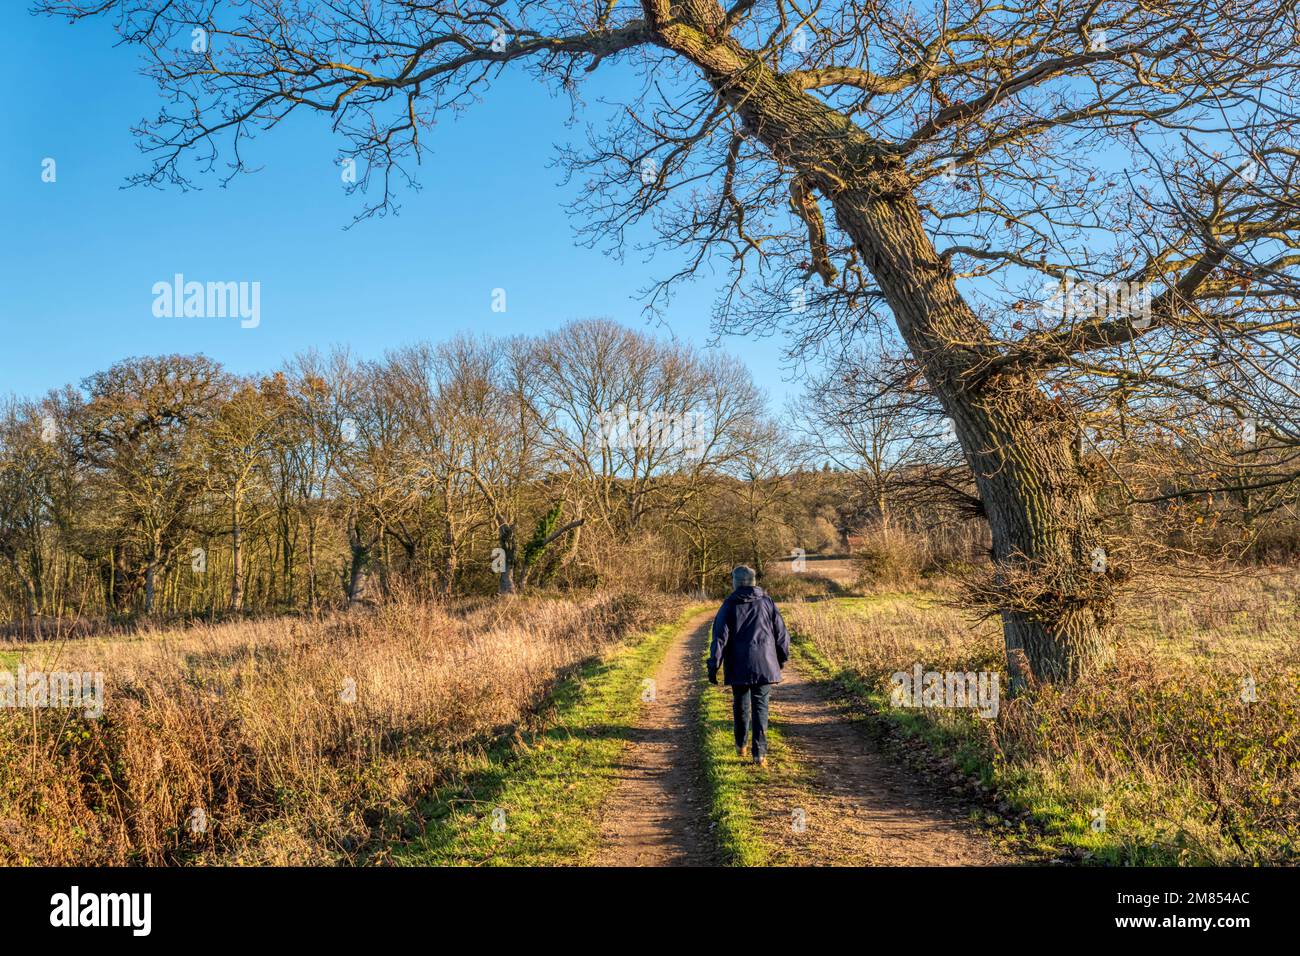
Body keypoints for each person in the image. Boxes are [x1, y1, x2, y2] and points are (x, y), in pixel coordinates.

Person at [707, 565, 790, 766]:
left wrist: (713, 665)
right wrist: (781, 658)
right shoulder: (767, 602)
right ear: (754, 582)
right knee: (761, 707)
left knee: (740, 705)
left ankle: (740, 745)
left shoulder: (728, 605)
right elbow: (781, 634)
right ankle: (759, 754)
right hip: (764, 663)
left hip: (738, 664)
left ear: (735, 582)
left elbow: (719, 638)